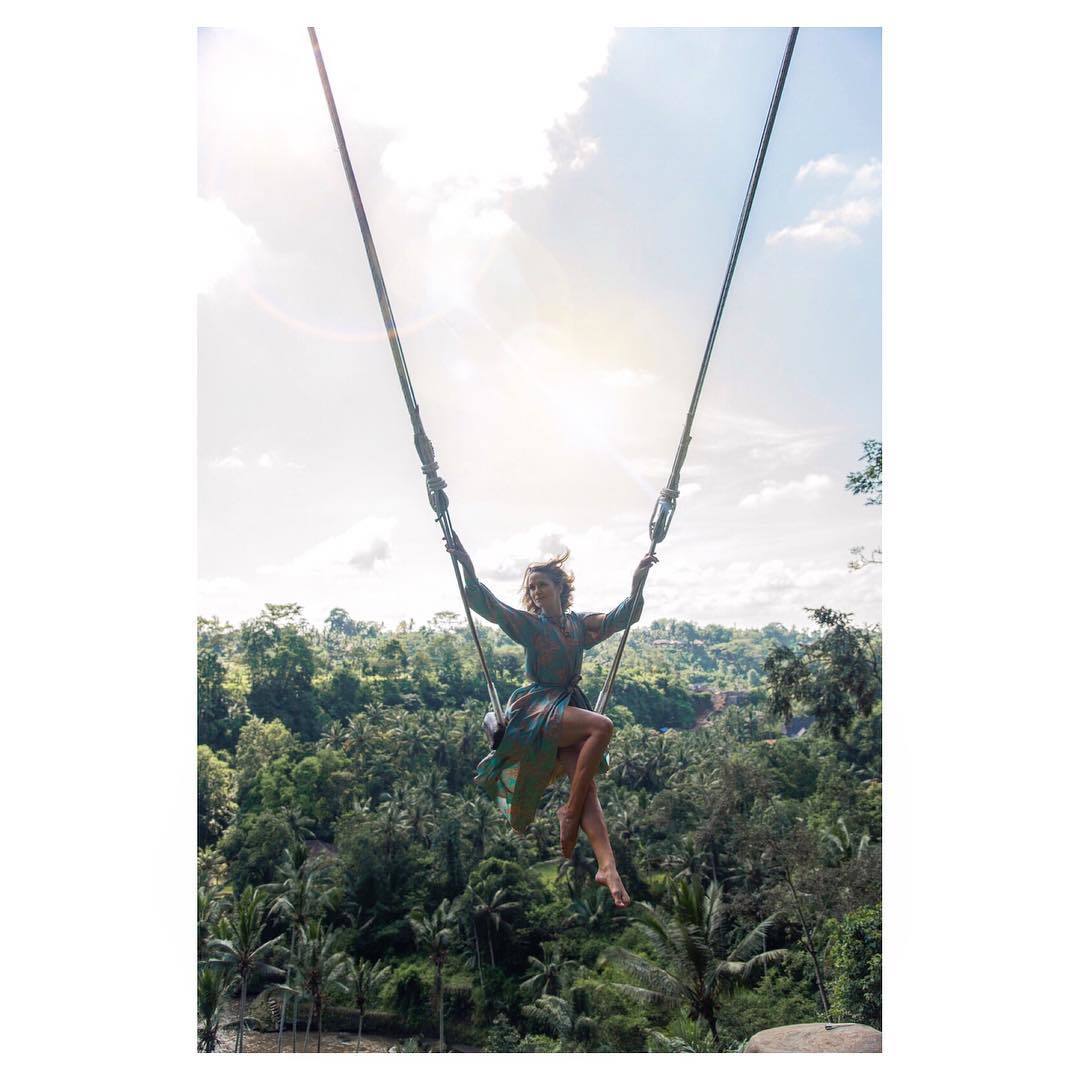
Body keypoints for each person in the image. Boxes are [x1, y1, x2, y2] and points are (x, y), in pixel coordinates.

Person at [444, 532, 657, 909]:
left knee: (587, 784)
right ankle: (570, 811)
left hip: (567, 705)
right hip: (538, 710)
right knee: (601, 726)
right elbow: (486, 604)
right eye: (532, 587)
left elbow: (622, 617)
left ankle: (608, 867)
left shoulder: (578, 626)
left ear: (560, 587)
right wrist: (466, 564)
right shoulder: (531, 625)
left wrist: (637, 582)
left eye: (543, 584)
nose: (536, 591)